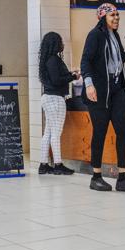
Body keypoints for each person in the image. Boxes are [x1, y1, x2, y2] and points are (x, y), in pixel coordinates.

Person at [80, 3, 125, 192]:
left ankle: (122, 177)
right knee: (100, 132)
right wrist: (89, 85)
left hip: (116, 91)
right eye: (112, 15)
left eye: (118, 15)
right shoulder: (95, 35)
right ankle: (96, 176)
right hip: (99, 93)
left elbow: (116, 61)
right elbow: (86, 61)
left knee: (123, 130)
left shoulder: (113, 36)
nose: (116, 18)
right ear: (102, 17)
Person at [38, 31, 80, 176]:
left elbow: (55, 78)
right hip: (55, 99)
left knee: (48, 133)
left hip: (47, 97)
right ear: (55, 43)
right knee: (56, 133)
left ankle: (43, 165)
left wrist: (70, 75)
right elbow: (57, 80)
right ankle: (58, 164)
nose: (62, 44)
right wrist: (73, 76)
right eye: (60, 41)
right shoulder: (54, 60)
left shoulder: (47, 60)